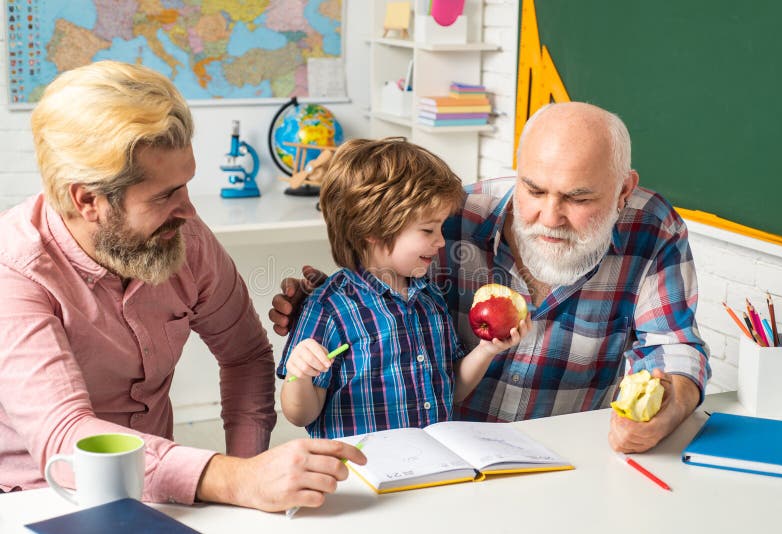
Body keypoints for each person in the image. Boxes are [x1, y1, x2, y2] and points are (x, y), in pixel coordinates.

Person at [0, 61, 365, 511]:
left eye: (186, 185)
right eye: (163, 195)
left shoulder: (184, 238)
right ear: (87, 200)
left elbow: (245, 355)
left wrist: (246, 476)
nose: (188, 211)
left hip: (164, 492)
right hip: (36, 497)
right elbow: (65, 435)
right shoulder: (15, 270)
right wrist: (235, 479)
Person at [269, 102, 711, 454]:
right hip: (423, 462)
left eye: (577, 198)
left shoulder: (652, 230)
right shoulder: (458, 213)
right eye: (534, 190)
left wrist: (666, 409)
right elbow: (379, 275)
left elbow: (672, 347)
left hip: (560, 460)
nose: (550, 216)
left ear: (623, 191)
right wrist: (318, 304)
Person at [279, 138, 530, 439]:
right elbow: (300, 414)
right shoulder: (328, 309)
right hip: (363, 474)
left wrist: (487, 350)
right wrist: (299, 374)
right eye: (427, 230)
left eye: (440, 228)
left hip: (433, 466)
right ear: (373, 229)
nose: (440, 240)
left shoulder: (431, 300)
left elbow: (454, 391)